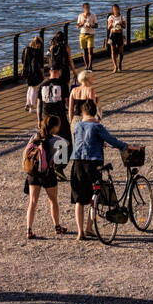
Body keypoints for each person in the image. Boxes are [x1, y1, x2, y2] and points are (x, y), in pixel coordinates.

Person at [70, 100, 130, 241]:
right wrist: (125, 146)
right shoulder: (97, 126)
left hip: (78, 163)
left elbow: (80, 142)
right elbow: (111, 140)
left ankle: (80, 232)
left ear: (83, 112)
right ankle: (90, 227)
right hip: (94, 164)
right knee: (93, 197)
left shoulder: (77, 126)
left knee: (79, 199)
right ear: (94, 111)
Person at [23, 115, 67, 239]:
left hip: (33, 173)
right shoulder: (58, 141)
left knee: (32, 202)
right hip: (48, 174)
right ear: (54, 127)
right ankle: (57, 227)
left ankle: (29, 230)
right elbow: (61, 162)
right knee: (53, 200)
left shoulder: (35, 136)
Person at [39, 65, 69, 137]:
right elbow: (67, 101)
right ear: (59, 72)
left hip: (46, 115)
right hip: (59, 115)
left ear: (50, 72)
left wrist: (39, 119)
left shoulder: (43, 85)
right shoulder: (63, 84)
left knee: (46, 135)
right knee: (64, 136)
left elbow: (39, 104)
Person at [21, 34, 46, 114]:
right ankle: (32, 107)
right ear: (38, 44)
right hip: (35, 72)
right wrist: (42, 74)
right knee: (34, 89)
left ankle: (27, 104)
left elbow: (22, 61)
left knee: (30, 88)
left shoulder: (26, 49)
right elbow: (41, 65)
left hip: (27, 71)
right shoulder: (38, 52)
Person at [76, 3, 99, 70]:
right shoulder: (80, 15)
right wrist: (82, 23)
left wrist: (91, 25)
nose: (87, 9)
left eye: (88, 8)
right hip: (82, 34)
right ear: (83, 9)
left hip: (90, 34)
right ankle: (86, 66)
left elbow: (96, 25)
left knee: (90, 51)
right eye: (86, 8)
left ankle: (90, 66)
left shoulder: (93, 15)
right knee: (84, 51)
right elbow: (77, 26)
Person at [106, 5, 126, 73]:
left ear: (119, 9)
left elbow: (124, 26)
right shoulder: (110, 17)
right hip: (113, 35)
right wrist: (112, 24)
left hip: (120, 34)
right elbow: (108, 27)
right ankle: (115, 66)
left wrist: (120, 24)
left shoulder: (122, 17)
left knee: (121, 51)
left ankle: (120, 64)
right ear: (112, 10)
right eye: (114, 9)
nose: (116, 10)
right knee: (113, 51)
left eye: (117, 9)